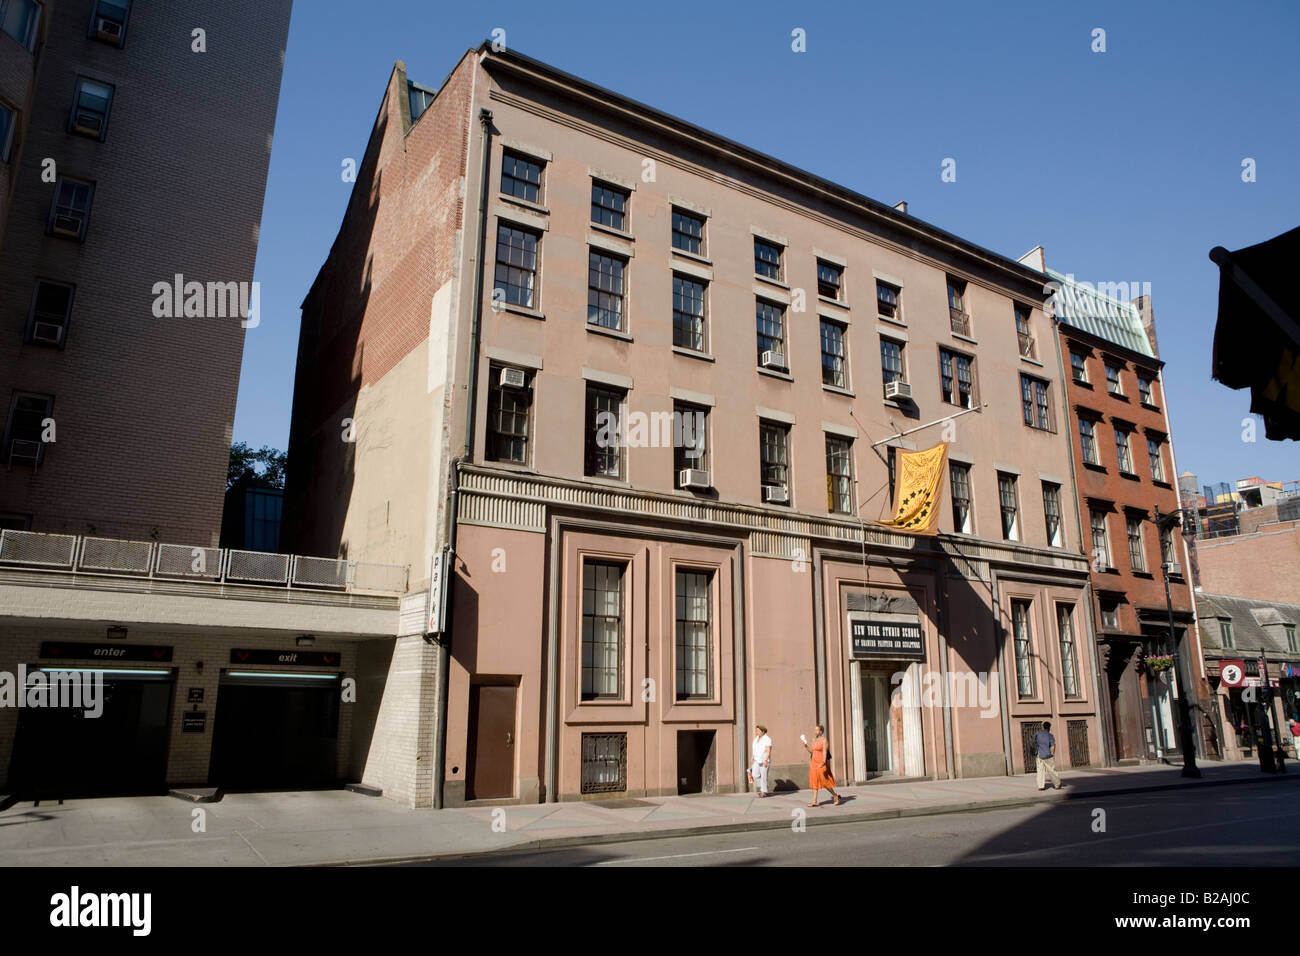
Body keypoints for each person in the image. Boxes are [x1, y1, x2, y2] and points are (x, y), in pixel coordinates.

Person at [801, 724, 841, 807]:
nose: (815, 732)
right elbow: (812, 751)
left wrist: (823, 762)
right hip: (813, 763)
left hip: (820, 762)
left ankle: (835, 795)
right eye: (814, 730)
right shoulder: (813, 740)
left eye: (816, 730)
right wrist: (805, 746)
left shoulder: (824, 740)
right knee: (814, 781)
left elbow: (824, 752)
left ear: (821, 731)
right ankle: (814, 801)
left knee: (825, 782)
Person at [1035, 721, 1064, 791]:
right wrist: (1053, 754)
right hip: (1048, 755)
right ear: (1049, 727)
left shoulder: (1038, 734)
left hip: (1039, 755)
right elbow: (1053, 746)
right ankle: (1057, 784)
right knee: (1052, 771)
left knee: (1040, 771)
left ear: (1043, 726)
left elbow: (1034, 743)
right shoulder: (1050, 735)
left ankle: (1041, 786)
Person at [751, 724, 772, 798]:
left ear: (763, 731)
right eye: (757, 730)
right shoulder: (756, 738)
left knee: (763, 777)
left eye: (758, 730)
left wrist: (766, 760)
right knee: (754, 775)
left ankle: (763, 792)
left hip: (764, 760)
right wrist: (753, 758)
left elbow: (768, 750)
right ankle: (764, 786)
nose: (757, 732)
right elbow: (755, 749)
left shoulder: (767, 739)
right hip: (757, 760)